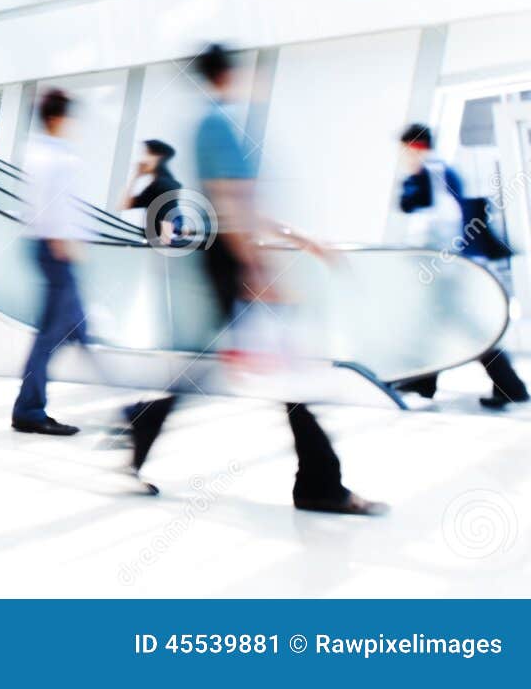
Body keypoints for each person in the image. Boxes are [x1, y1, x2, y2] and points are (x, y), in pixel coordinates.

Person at [123, 43, 386, 515]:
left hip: (227, 259)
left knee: (220, 364)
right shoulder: (219, 125)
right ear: (227, 74)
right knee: (285, 372)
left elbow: (240, 205)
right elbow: (232, 205)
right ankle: (320, 484)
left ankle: (141, 423)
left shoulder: (212, 124)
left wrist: (302, 241)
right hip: (232, 260)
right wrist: (258, 272)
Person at [395, 123, 528, 409]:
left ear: (415, 147)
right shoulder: (438, 173)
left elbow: (439, 221)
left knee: (466, 329)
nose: (404, 157)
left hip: (446, 269)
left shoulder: (432, 173)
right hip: (448, 267)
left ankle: (511, 387)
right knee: (437, 325)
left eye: (405, 150)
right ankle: (425, 382)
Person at [11, 89, 93, 436]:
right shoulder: (56, 158)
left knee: (73, 330)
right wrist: (65, 245)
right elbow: (53, 206)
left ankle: (29, 407)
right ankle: (29, 409)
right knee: (58, 333)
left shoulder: (38, 153)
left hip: (48, 248)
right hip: (56, 251)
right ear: (59, 118)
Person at [121, 139, 183, 244]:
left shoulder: (165, 184)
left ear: (159, 158)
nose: (142, 159)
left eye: (146, 154)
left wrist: (163, 245)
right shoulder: (155, 185)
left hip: (163, 243)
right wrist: (136, 177)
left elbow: (167, 220)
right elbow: (124, 205)